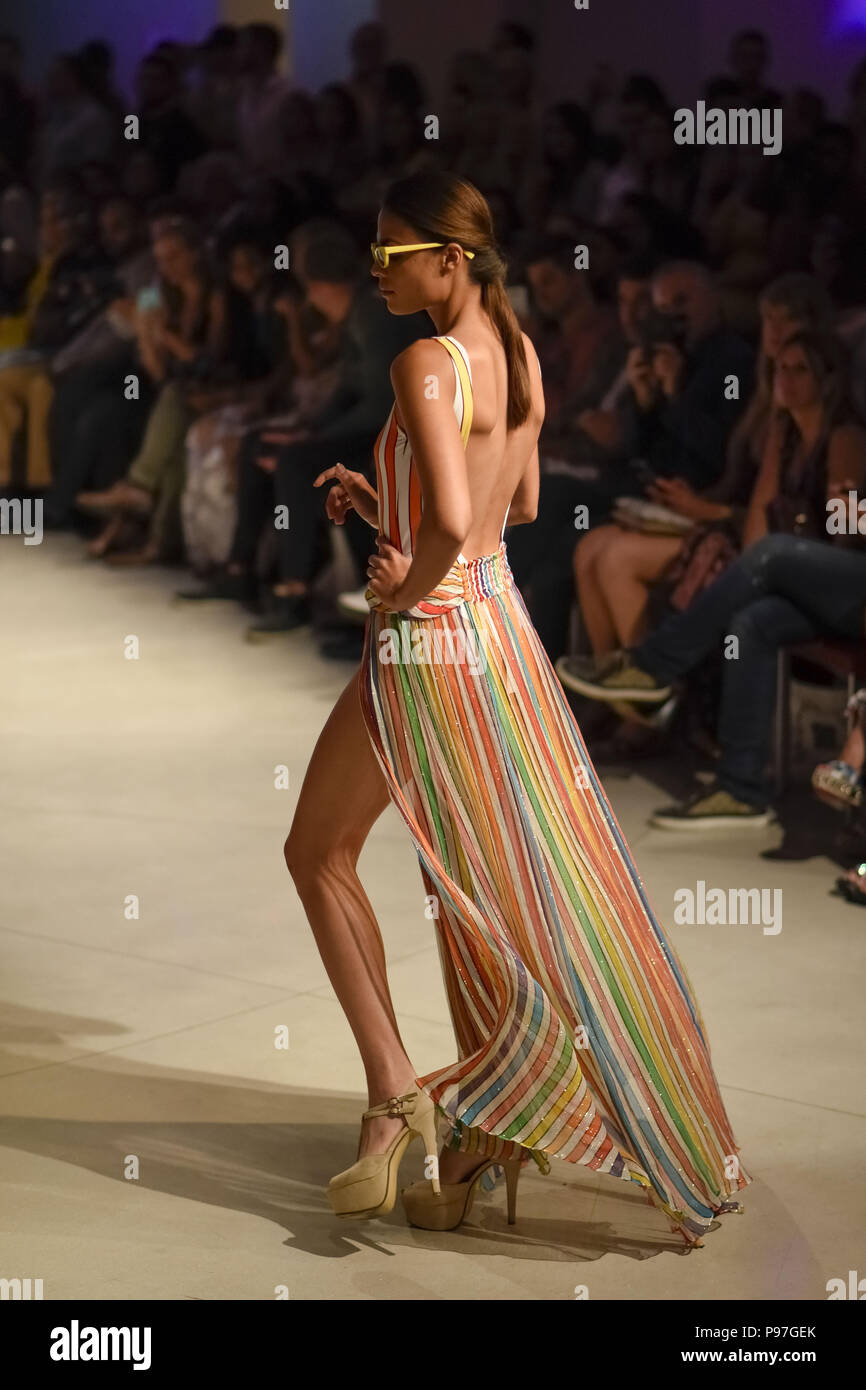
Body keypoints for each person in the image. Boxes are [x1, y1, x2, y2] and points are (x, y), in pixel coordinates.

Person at [283, 169, 750, 1247]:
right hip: (501, 638)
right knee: (508, 891)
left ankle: (398, 1092)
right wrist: (388, 501)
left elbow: (449, 513)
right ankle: (483, 1144)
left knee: (319, 853)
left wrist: (403, 576)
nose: (376, 271)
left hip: (429, 640)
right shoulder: (521, 352)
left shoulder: (422, 362)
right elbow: (520, 502)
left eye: (393, 253)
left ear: (450, 257)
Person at [567, 331, 866, 828]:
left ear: (829, 380)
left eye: (800, 371)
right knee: (753, 621)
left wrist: (835, 522)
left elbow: (848, 538)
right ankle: (741, 787)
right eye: (780, 370)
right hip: (816, 578)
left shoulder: (845, 436)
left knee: (772, 556)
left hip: (849, 579)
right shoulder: (786, 433)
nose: (785, 381)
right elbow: (755, 529)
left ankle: (653, 669)